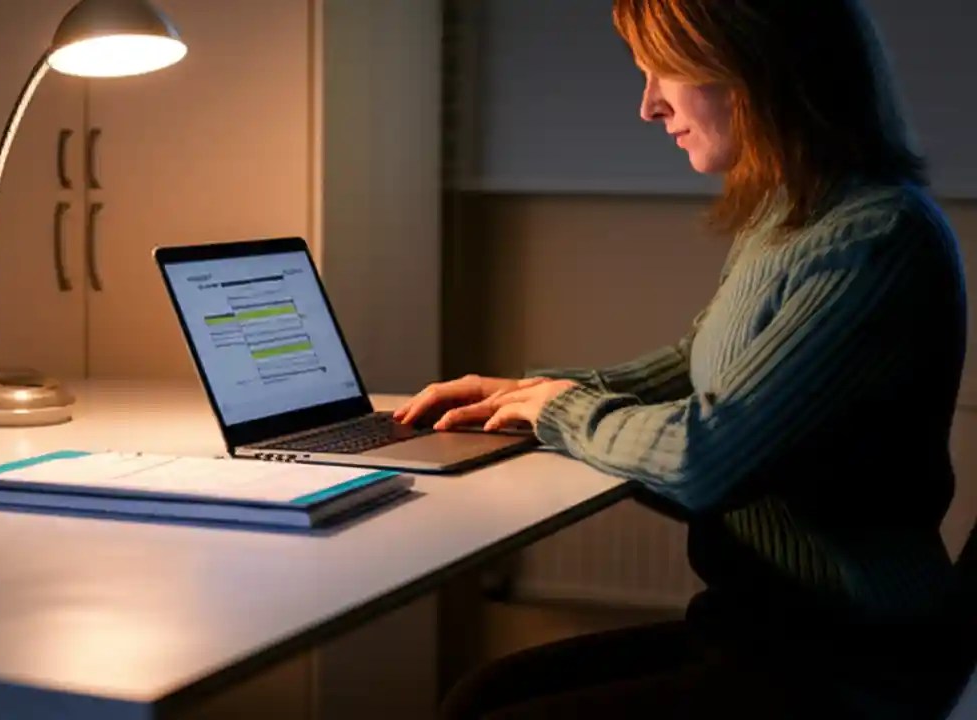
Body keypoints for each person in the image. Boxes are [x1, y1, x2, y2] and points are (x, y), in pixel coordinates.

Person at [396, 0, 974, 717]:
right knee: (479, 697)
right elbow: (696, 363)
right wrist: (530, 391)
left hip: (850, 659)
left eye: (661, 72)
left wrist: (561, 410)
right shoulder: (789, 212)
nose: (647, 107)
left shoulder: (875, 238)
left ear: (749, 67)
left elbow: (706, 457)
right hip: (756, 627)